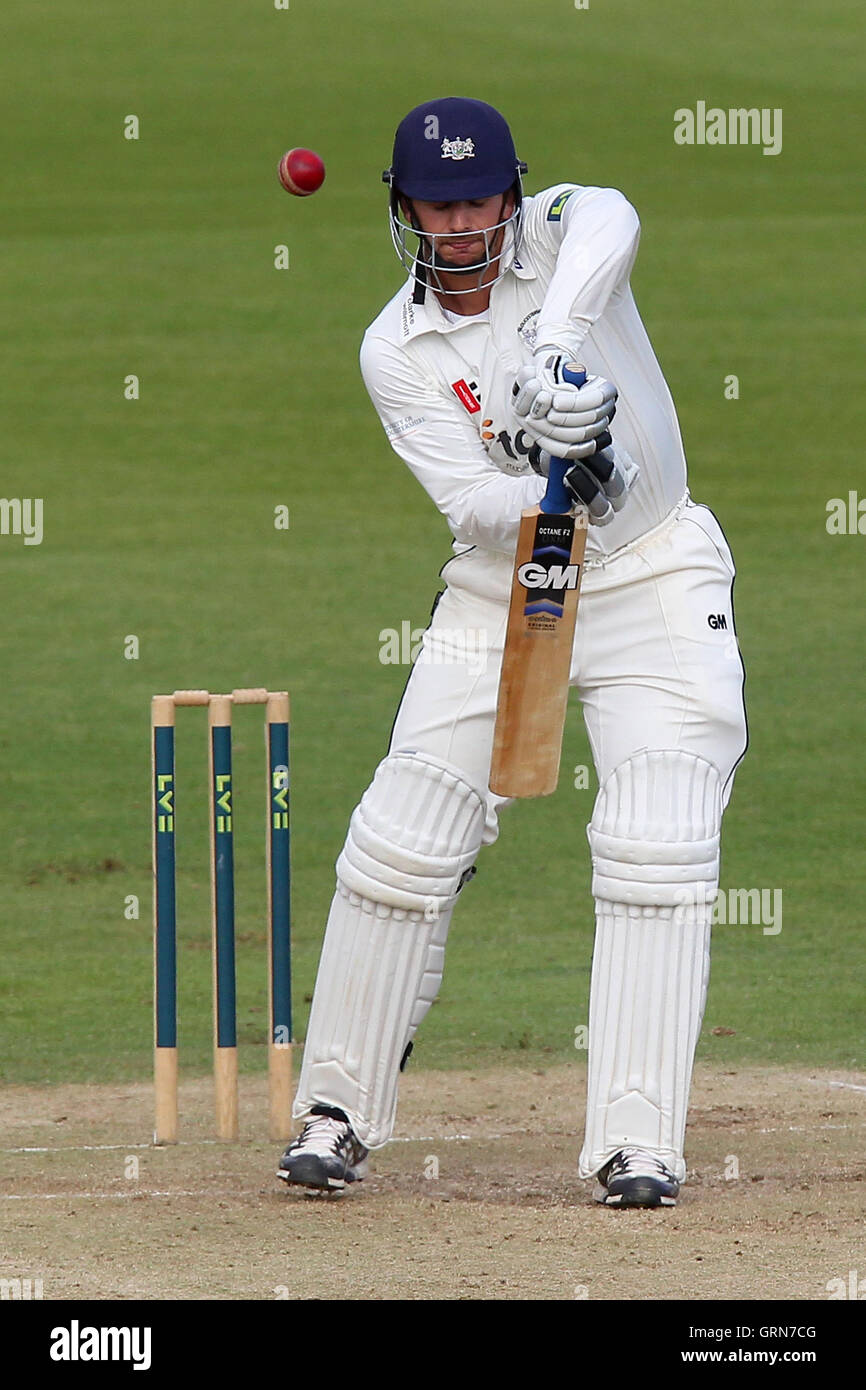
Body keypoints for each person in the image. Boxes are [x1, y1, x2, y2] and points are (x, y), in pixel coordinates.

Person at [276, 97, 747, 1208]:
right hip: (504, 587)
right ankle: (336, 1113)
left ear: (512, 194)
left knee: (656, 838)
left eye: (477, 199)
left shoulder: (570, 232)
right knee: (403, 836)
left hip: (653, 573)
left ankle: (637, 1143)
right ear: (402, 211)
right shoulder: (394, 348)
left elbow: (617, 217)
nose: (459, 225)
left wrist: (552, 350)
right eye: (435, 206)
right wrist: (557, 487)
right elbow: (467, 500)